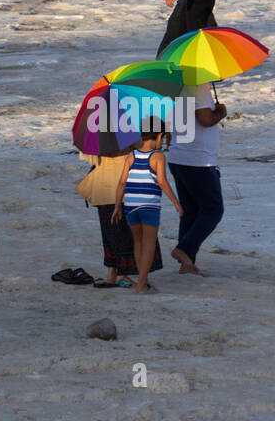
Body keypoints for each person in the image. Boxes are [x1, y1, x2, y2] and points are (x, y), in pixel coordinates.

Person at [75, 151, 163, 287]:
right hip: (123, 188)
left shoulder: (97, 132)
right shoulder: (128, 132)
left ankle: (112, 272)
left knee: (110, 232)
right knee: (128, 234)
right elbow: (152, 142)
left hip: (102, 186)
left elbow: (91, 156)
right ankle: (123, 275)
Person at [166, 82, 226, 275]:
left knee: (190, 210)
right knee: (213, 209)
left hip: (178, 156)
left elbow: (168, 126)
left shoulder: (172, 88)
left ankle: (187, 261)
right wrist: (220, 113)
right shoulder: (197, 88)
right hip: (197, 159)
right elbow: (205, 120)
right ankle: (184, 250)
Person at [112, 130, 182, 294]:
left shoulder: (131, 156)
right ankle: (141, 285)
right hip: (149, 206)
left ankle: (143, 279)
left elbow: (122, 182)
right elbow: (162, 182)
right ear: (159, 135)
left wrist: (117, 206)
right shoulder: (158, 156)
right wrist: (176, 203)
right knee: (149, 243)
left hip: (131, 206)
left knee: (138, 242)